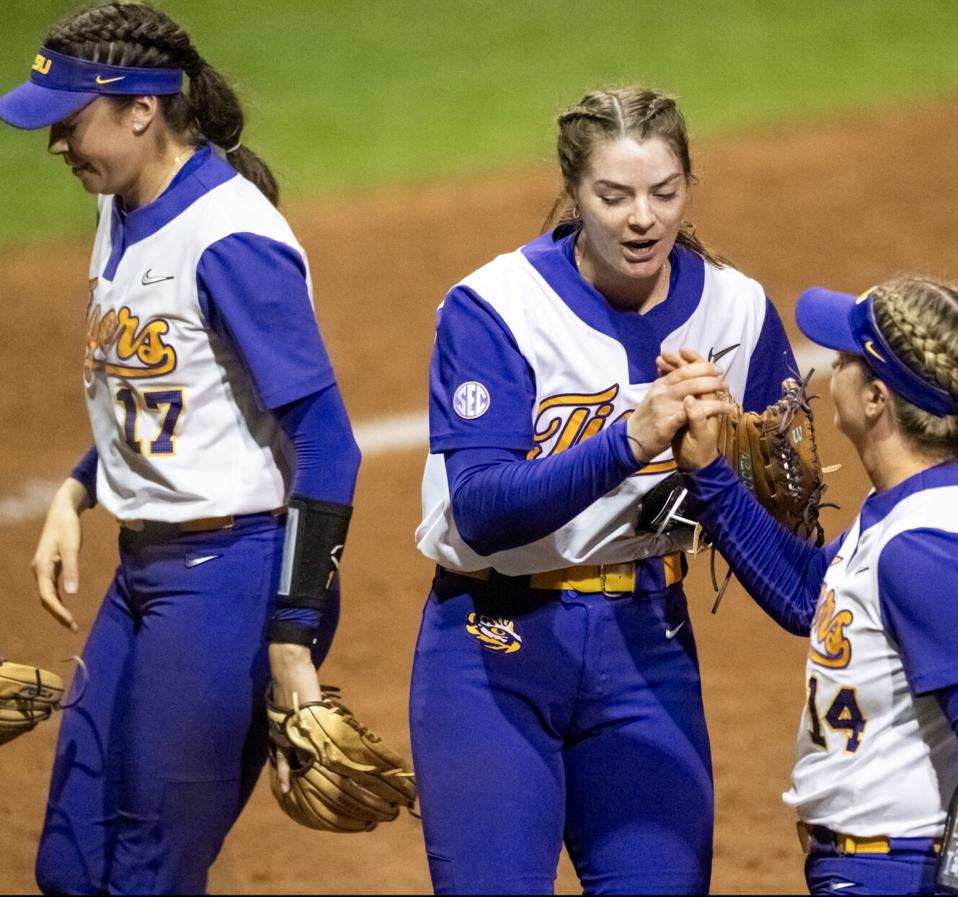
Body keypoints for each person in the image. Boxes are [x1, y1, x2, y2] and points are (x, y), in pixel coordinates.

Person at [0, 3, 360, 892]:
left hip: (233, 580)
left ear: (140, 110)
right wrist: (76, 493)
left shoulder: (231, 239)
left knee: (147, 876)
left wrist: (289, 636)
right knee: (71, 867)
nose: (57, 147)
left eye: (70, 122)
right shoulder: (121, 206)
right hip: (145, 575)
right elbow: (155, 393)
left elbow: (328, 442)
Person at [411, 85, 800, 895]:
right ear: (573, 192)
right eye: (613, 195)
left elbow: (785, 519)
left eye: (664, 193)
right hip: (494, 645)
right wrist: (629, 439)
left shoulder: (739, 312)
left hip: (644, 643)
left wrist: (723, 459)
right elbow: (480, 507)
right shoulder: (495, 307)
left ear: (689, 186)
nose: (642, 219)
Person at [666, 278, 958, 895]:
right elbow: (810, 593)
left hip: (917, 872)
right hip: (892, 864)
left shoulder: (925, 553)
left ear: (876, 399)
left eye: (843, 359)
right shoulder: (904, 508)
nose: (829, 368)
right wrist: (710, 473)